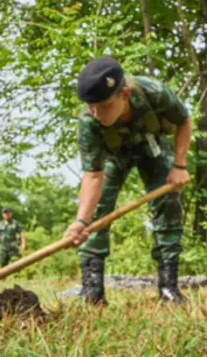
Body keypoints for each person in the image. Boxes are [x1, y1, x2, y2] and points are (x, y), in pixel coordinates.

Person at [63, 57, 193, 305]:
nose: (96, 114)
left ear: (123, 94)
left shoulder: (153, 92)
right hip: (113, 157)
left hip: (151, 148)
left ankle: (169, 289)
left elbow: (183, 119)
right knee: (97, 212)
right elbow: (92, 175)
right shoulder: (88, 121)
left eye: (103, 106)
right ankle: (92, 292)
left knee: (169, 204)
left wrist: (179, 165)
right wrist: (81, 220)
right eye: (91, 107)